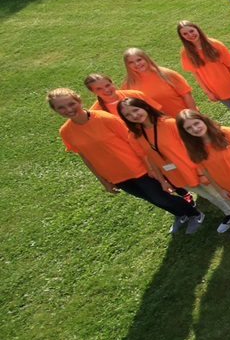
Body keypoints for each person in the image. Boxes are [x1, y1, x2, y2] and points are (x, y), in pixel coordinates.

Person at [50, 88, 203, 232]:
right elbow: (85, 156)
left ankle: (194, 213)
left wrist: (151, 167)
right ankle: (180, 214)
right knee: (152, 200)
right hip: (117, 176)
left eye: (71, 103)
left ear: (79, 100)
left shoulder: (105, 118)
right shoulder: (66, 131)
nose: (68, 109)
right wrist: (104, 181)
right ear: (55, 110)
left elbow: (136, 141)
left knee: (161, 197)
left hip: (138, 168)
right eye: (61, 107)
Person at [117, 96, 230, 234]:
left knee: (216, 192)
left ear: (145, 107)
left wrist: (201, 171)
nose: (134, 115)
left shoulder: (169, 124)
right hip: (175, 173)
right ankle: (229, 213)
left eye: (135, 110)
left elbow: (192, 147)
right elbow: (151, 157)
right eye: (128, 115)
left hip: (194, 168)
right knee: (208, 196)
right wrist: (162, 181)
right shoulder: (135, 135)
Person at [177, 20, 230, 126]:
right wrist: (208, 92)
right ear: (182, 37)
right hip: (217, 90)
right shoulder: (186, 53)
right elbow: (196, 74)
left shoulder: (215, 44)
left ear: (197, 29)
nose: (190, 35)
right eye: (185, 34)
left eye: (191, 31)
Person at [122, 47, 197, 116]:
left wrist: (194, 116)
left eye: (139, 60)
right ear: (127, 65)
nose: (137, 64)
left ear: (146, 59)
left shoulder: (167, 74)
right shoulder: (128, 85)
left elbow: (187, 95)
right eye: (131, 62)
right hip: (159, 126)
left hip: (183, 119)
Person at [85, 73, 158, 115]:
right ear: (92, 91)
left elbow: (158, 114)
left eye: (107, 85)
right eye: (99, 89)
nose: (106, 90)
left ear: (112, 83)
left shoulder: (135, 95)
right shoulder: (95, 112)